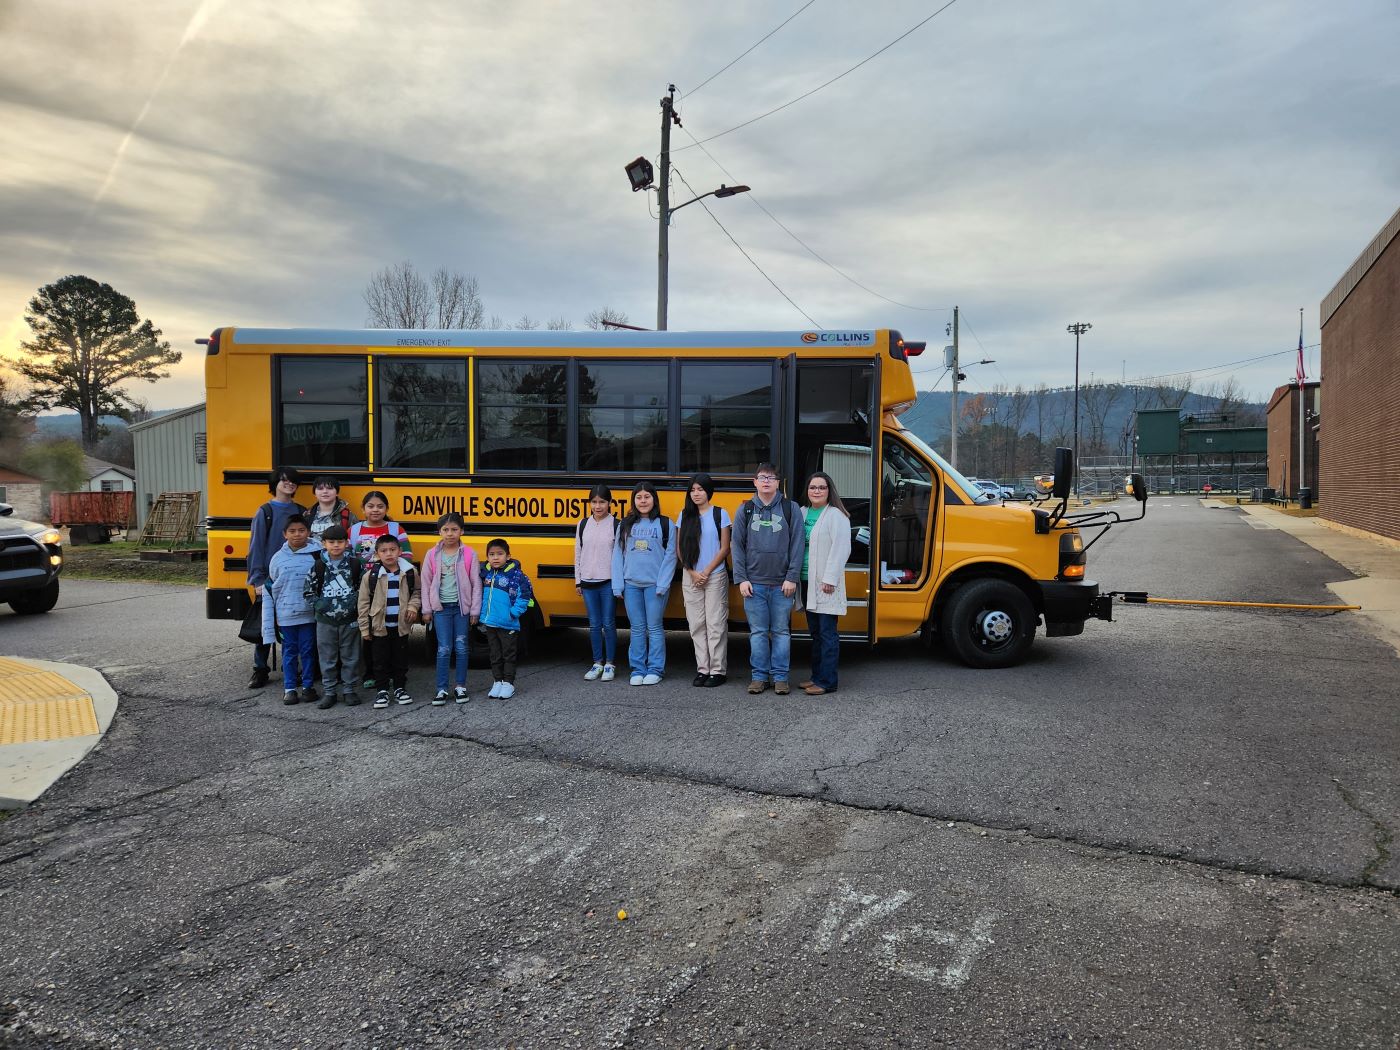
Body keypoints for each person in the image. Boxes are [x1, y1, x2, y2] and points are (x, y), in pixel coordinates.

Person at [731, 462, 805, 695]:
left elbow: (797, 544)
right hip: (754, 584)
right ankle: (759, 677)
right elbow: (737, 546)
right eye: (762, 477)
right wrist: (742, 578)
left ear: (777, 483)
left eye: (771, 478)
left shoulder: (790, 508)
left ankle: (781, 677)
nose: (766, 481)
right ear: (755, 482)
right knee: (758, 632)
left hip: (783, 584)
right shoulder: (745, 510)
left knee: (781, 632)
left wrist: (792, 577)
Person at [246, 466, 306, 688]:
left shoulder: (301, 510)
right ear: (274, 484)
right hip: (271, 578)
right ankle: (260, 669)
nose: (288, 484)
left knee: (296, 623)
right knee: (266, 625)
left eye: (292, 481)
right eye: (283, 481)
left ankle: (295, 668)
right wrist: (257, 579)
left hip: (296, 577)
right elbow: (256, 547)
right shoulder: (265, 511)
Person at [612, 481, 677, 686]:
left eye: (647, 497)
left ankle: (656, 669)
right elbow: (617, 554)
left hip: (655, 586)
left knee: (655, 627)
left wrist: (663, 583)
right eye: (639, 498)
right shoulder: (625, 525)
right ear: (634, 501)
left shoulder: (666, 524)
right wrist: (617, 584)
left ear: (654, 499)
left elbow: (671, 556)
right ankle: (637, 669)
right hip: (631, 584)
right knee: (637, 628)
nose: (643, 501)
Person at [348, 490, 412, 688]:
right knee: (371, 633)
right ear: (363, 509)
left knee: (392, 633)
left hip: (391, 585)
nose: (375, 510)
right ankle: (371, 673)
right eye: (371, 506)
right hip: (367, 587)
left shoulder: (395, 528)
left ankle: (394, 673)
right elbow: (349, 557)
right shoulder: (355, 530)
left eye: (380, 506)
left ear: (386, 509)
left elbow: (407, 554)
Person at [799, 472, 852, 696]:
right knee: (816, 634)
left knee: (828, 633)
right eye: (813, 487)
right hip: (805, 581)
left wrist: (830, 578)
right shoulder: (801, 513)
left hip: (825, 584)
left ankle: (827, 681)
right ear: (807, 490)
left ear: (829, 490)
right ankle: (816, 677)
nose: (817, 491)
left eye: (821, 487)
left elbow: (841, 549)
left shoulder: (837, 516)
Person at [676, 473, 731, 687]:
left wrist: (706, 571)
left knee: (715, 623)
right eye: (693, 490)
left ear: (709, 491)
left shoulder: (720, 514)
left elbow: (725, 547)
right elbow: (680, 548)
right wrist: (691, 571)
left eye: (700, 489)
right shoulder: (684, 515)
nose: (696, 493)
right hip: (690, 576)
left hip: (715, 575)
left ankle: (718, 670)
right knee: (696, 624)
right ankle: (703, 669)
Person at [260, 514, 321, 706]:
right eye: (292, 531)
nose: (297, 535)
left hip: (310, 616)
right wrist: (271, 621)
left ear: (308, 532)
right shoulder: (277, 559)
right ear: (284, 534)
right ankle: (290, 689)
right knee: (289, 652)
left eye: (301, 530)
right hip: (286, 617)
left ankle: (308, 687)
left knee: (309, 651)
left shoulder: (318, 554)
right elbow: (271, 590)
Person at [421, 512, 482, 705]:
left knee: (462, 647)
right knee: (444, 648)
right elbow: (425, 582)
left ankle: (460, 687)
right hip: (441, 609)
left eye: (454, 529)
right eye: (445, 530)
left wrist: (474, 611)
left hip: (461, 609)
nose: (450, 534)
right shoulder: (432, 554)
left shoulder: (470, 554)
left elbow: (476, 584)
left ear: (462, 531)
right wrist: (427, 609)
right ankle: (441, 689)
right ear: (439, 531)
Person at [303, 524, 363, 710]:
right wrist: (323, 607)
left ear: (347, 543)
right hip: (325, 622)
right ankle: (329, 692)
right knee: (327, 657)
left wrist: (352, 604)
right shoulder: (318, 566)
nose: (336, 545)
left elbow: (364, 589)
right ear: (324, 544)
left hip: (349, 620)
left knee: (350, 656)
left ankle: (349, 690)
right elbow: (308, 593)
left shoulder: (355, 565)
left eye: (340, 542)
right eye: (331, 542)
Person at [358, 535, 420, 709]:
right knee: (379, 660)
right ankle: (382, 690)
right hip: (379, 627)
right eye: (384, 551)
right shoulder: (370, 576)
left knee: (400, 659)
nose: (389, 554)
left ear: (400, 551)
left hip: (400, 626)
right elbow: (363, 604)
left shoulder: (409, 572)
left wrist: (413, 607)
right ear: (377, 554)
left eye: (393, 550)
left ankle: (400, 688)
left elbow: (417, 592)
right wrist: (364, 629)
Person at [479, 538, 535, 700]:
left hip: (508, 623)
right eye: (491, 554)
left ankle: (508, 683)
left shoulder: (517, 576)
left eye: (500, 554)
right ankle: (497, 681)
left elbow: (525, 596)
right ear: (487, 557)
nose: (495, 558)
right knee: (495, 654)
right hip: (490, 622)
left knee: (508, 654)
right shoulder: (486, 573)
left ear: (508, 556)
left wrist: (513, 613)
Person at [574, 484, 618, 683]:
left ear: (609, 503)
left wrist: (618, 584)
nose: (598, 506)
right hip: (588, 582)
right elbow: (577, 553)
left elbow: (619, 557)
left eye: (602, 502)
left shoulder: (616, 524)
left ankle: (610, 664)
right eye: (594, 502)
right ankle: (597, 663)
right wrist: (578, 580)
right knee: (593, 625)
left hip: (607, 582)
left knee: (608, 624)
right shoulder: (583, 524)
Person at [307, 475, 358, 542]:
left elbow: (355, 540)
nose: (325, 491)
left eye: (330, 488)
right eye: (320, 488)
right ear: (315, 494)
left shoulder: (348, 516)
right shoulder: (307, 515)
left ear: (337, 493)